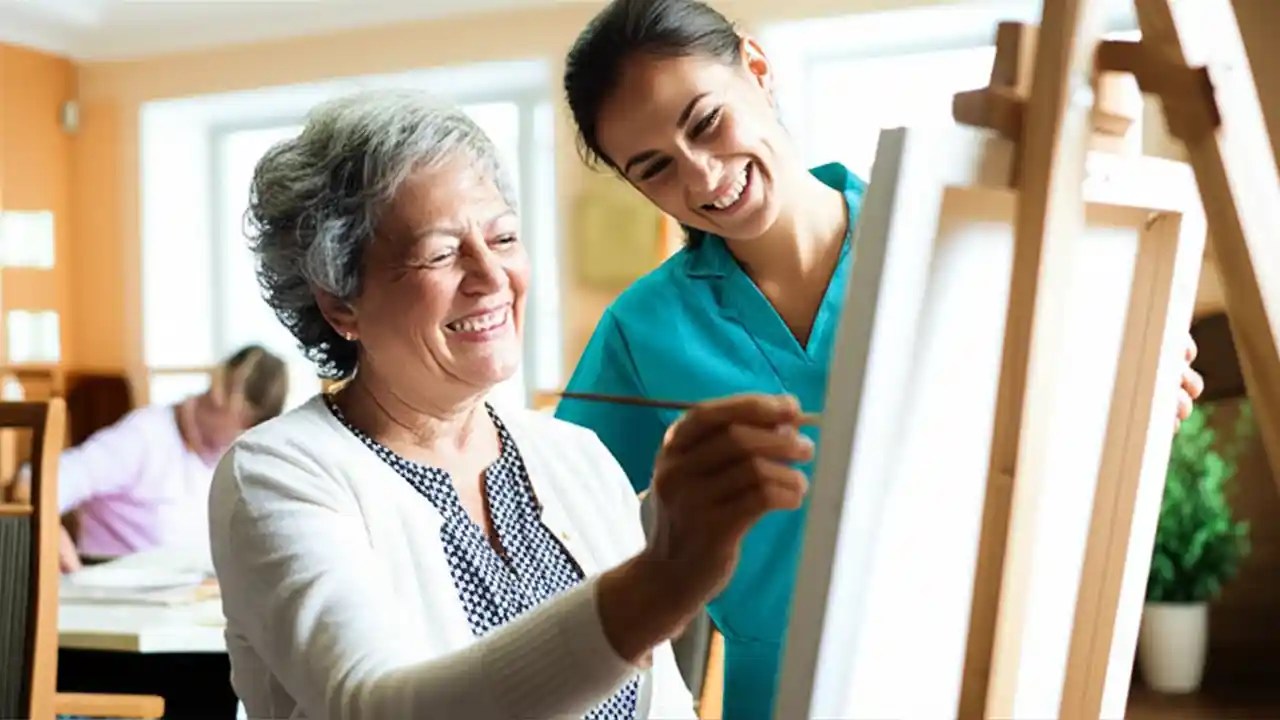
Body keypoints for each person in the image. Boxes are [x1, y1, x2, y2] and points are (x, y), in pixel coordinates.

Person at [553, 1, 1208, 717]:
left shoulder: (958, 241)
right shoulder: (641, 332)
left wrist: (1126, 415)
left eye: (706, 122)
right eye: (655, 168)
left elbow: (1037, 455)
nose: (704, 178)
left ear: (759, 70)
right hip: (781, 698)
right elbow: (559, 529)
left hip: (989, 671)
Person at [208, 88, 813, 720]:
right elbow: (378, 708)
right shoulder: (280, 474)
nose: (492, 277)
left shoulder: (574, 455)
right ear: (339, 303)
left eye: (502, 238)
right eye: (441, 253)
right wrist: (661, 583)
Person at [13, 344, 288, 573]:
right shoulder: (145, 437)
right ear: (221, 397)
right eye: (240, 427)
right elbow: (31, 483)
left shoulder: (229, 462)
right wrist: (56, 544)